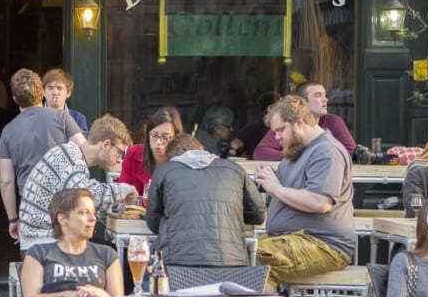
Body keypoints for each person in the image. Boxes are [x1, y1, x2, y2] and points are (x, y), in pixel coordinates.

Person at [253, 95, 355, 285]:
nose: (276, 138)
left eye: (280, 130)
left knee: (253, 258)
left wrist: (275, 188)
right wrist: (270, 178)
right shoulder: (295, 150)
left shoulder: (327, 151)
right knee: (236, 252)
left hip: (324, 244)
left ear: (299, 122)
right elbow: (287, 189)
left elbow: (320, 202)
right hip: (294, 239)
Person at [17, 114, 136, 249]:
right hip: (42, 244)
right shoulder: (71, 161)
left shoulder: (70, 154)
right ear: (106, 144)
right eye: (119, 153)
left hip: (39, 240)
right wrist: (126, 189)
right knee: (113, 255)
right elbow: (91, 198)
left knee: (108, 252)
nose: (120, 160)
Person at [145, 134, 266, 267]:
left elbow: (153, 223)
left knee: (146, 276)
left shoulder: (164, 172)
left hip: (177, 265)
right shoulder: (234, 169)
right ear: (201, 148)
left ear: (172, 159)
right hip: (231, 263)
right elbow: (259, 215)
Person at [0, 68, 84, 249]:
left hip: (30, 207)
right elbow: (85, 152)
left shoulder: (8, 131)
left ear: (14, 99)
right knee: (64, 266)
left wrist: (13, 218)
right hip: (64, 205)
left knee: (33, 267)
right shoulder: (62, 118)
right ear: (42, 93)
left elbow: (6, 182)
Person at [252, 81, 355, 161]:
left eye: (325, 95)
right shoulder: (290, 121)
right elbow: (260, 152)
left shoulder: (333, 121)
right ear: (303, 101)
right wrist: (296, 157)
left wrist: (305, 158)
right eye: (318, 95)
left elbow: (351, 151)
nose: (325, 100)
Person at [119, 106, 182, 196]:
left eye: (165, 137)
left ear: (176, 138)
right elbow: (122, 193)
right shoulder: (133, 153)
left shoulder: (182, 163)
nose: (159, 142)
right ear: (148, 135)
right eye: (154, 135)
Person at [41, 67, 89, 136]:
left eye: (59, 88)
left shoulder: (78, 119)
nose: (55, 92)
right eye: (50, 88)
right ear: (43, 92)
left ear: (68, 93)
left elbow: (83, 145)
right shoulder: (34, 117)